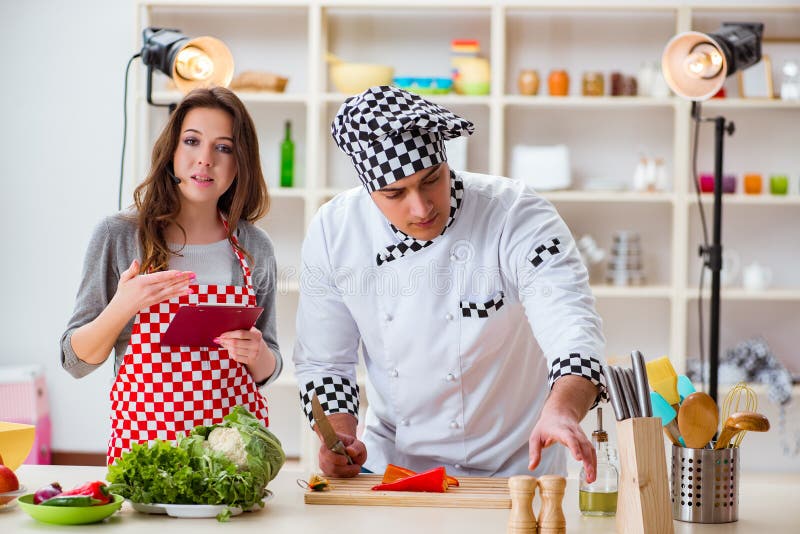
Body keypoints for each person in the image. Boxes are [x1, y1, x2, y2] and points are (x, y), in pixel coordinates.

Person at [294, 86, 606, 481]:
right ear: (369, 190)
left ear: (446, 162)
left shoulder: (516, 215)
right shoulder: (334, 230)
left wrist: (562, 409)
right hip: (393, 467)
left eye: (431, 180)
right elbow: (324, 361)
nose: (421, 207)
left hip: (516, 470)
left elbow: (571, 323)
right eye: (395, 193)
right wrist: (338, 438)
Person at [60, 87, 282, 465]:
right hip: (144, 459)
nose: (205, 160)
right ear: (172, 153)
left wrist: (257, 353)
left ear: (241, 162)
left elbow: (269, 363)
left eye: (224, 148)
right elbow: (75, 361)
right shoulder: (118, 235)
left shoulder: (254, 247)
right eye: (192, 141)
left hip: (229, 467)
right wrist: (123, 306)